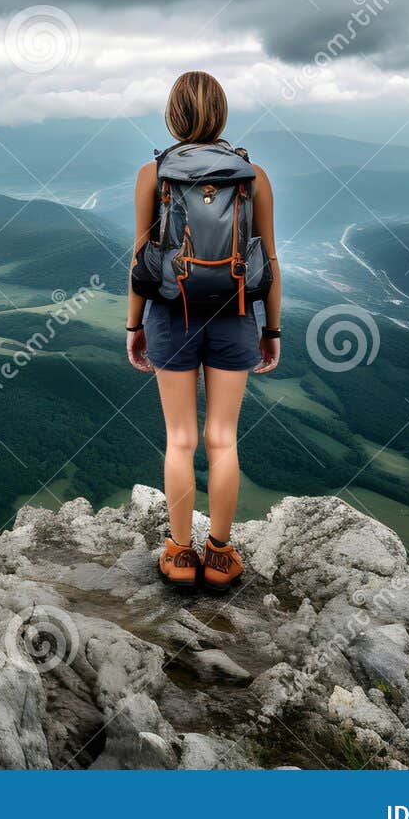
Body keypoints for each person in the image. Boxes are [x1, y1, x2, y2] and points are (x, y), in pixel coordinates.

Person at [126, 71, 280, 591]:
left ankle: (178, 553)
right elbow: (271, 259)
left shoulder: (155, 174)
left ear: (174, 116)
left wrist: (134, 324)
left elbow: (141, 257)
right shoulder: (253, 175)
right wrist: (271, 328)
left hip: (171, 314)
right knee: (222, 440)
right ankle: (219, 556)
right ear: (222, 114)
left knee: (180, 439)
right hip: (236, 313)